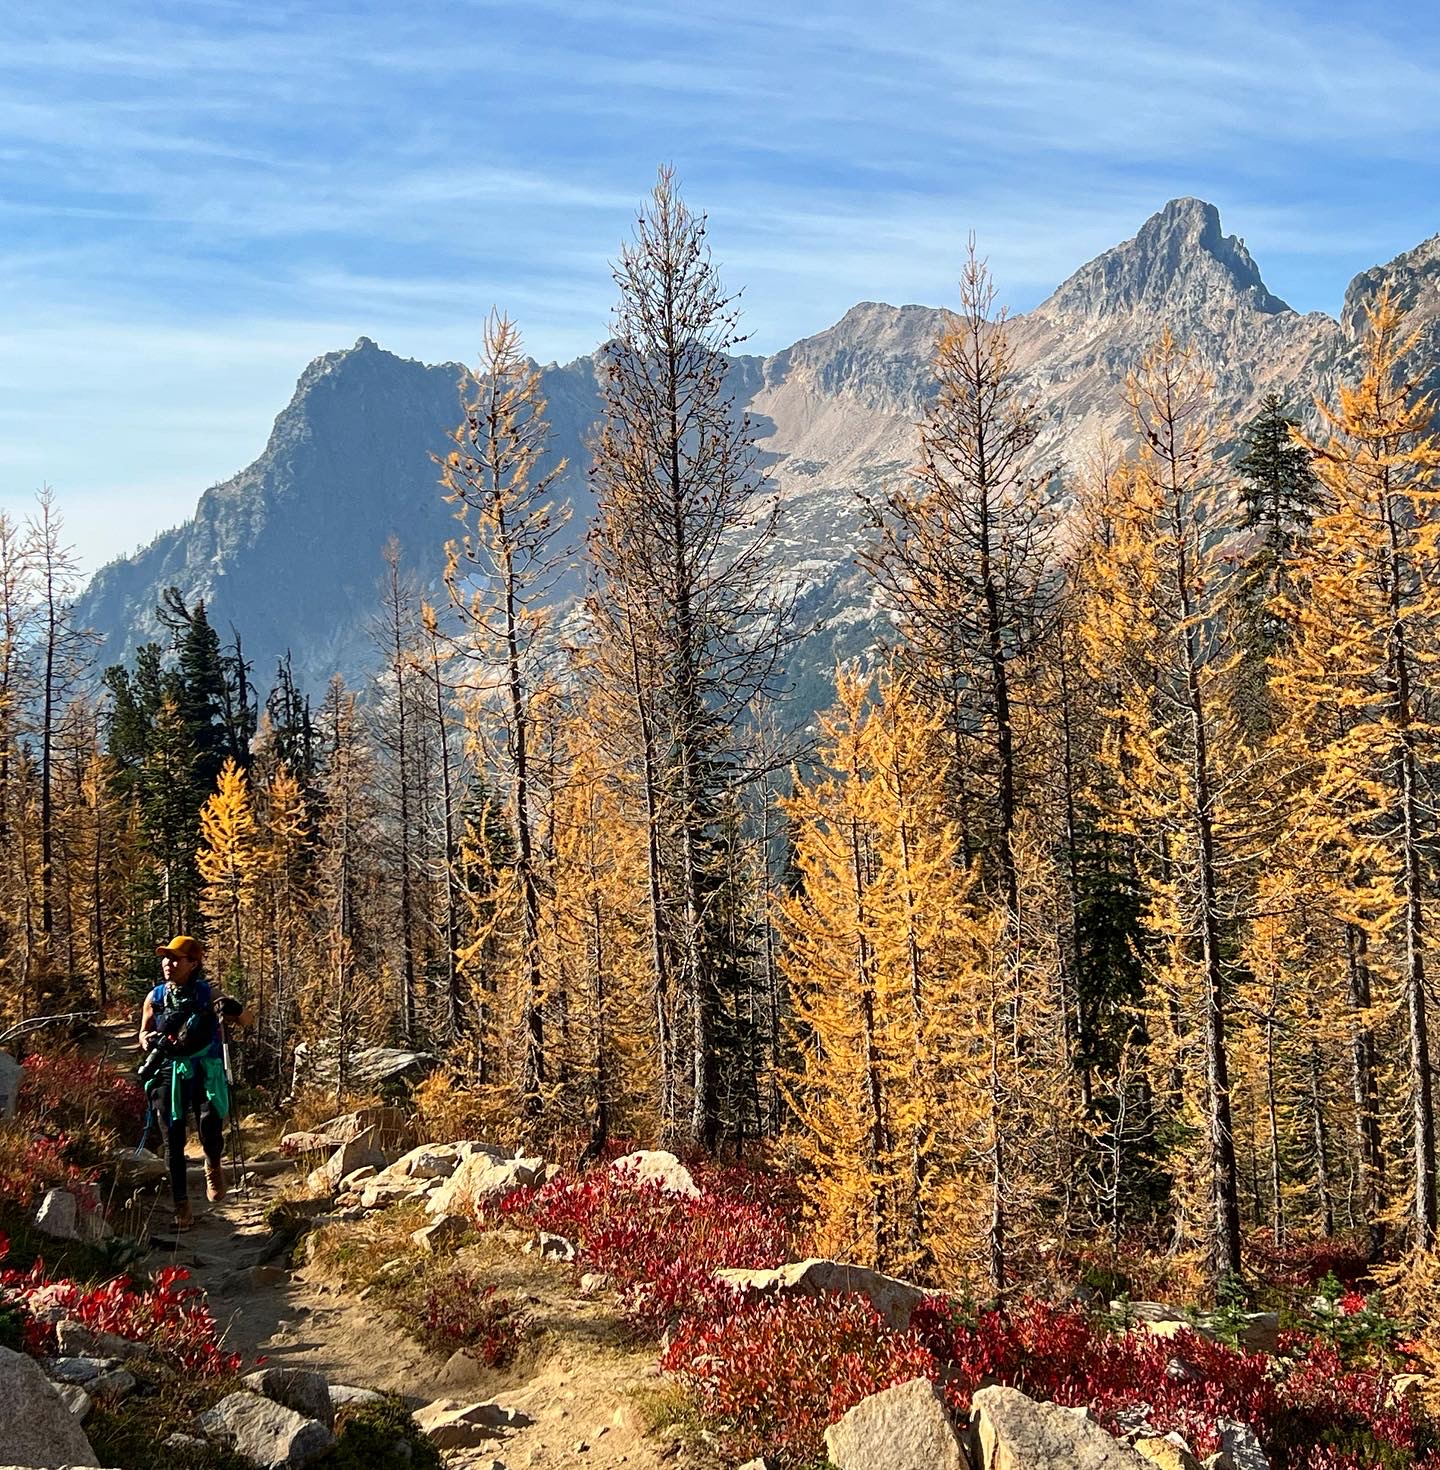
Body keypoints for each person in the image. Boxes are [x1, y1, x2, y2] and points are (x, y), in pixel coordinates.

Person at [136, 936, 247, 1230]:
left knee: (209, 1123)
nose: (168, 964)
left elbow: (246, 1020)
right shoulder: (155, 997)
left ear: (193, 964)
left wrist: (231, 1009)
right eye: (166, 958)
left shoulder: (208, 994)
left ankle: (213, 1163)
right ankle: (181, 1205)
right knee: (172, 1138)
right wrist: (147, 1040)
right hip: (166, 1069)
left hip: (204, 1066)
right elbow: (143, 1032)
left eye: (175, 959)